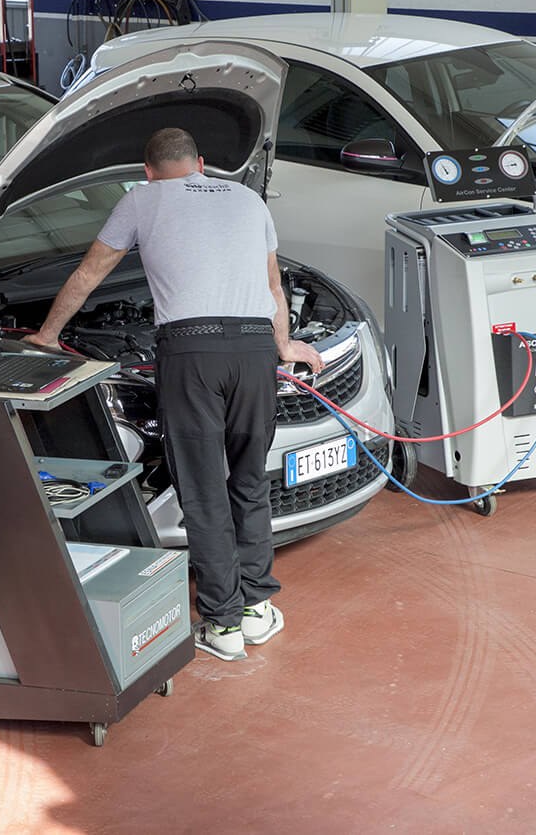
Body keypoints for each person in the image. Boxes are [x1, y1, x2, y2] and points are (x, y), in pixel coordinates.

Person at [24, 128, 322, 661]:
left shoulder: (140, 198)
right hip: (255, 351)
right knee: (249, 482)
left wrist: (46, 336)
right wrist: (284, 345)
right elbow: (273, 285)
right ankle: (255, 609)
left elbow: (91, 272)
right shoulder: (250, 199)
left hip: (191, 354)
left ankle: (224, 624)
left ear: (149, 170)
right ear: (202, 164)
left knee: (204, 491)